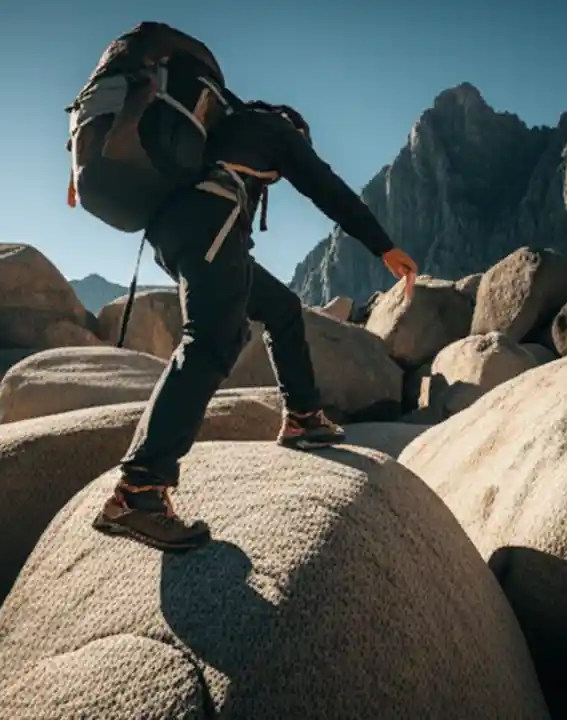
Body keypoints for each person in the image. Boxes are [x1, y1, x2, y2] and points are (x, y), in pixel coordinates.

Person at [92, 99, 419, 551]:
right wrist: (383, 246)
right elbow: (326, 188)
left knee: (282, 306)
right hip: (210, 220)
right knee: (211, 339)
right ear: (296, 131)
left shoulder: (221, 128)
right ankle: (139, 491)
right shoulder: (277, 132)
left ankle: (303, 417)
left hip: (176, 230)